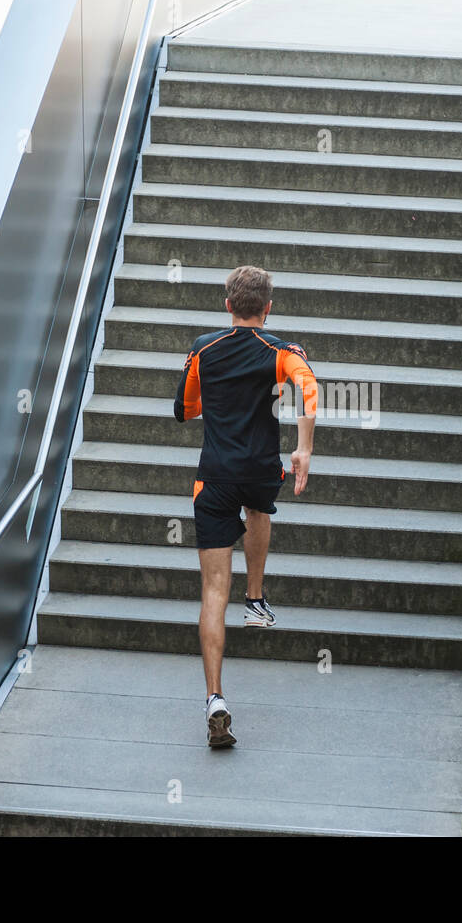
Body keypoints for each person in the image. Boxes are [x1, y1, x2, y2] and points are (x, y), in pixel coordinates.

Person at [173, 265, 318, 748]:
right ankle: (256, 600)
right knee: (260, 508)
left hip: (213, 477)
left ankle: (215, 698)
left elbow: (186, 409)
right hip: (260, 470)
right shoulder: (281, 351)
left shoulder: (204, 348)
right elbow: (310, 390)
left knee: (213, 590)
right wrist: (304, 448)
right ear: (269, 308)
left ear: (228, 305)